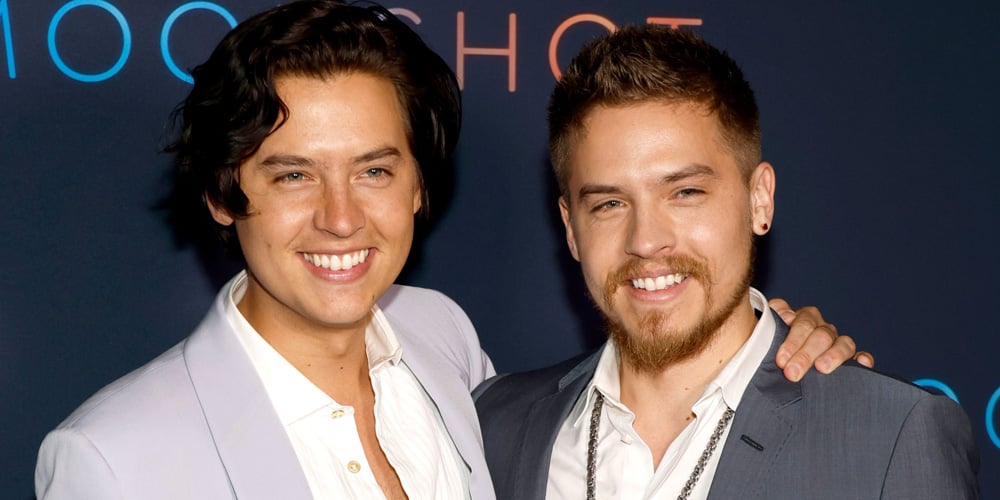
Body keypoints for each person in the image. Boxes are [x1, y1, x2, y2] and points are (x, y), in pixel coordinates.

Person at [35, 2, 863, 499]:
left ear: (417, 189)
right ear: (223, 196)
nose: (340, 219)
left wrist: (766, 344)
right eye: (293, 176)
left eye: (374, 171)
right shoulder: (113, 461)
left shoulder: (443, 341)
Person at [474, 25, 979, 499]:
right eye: (609, 203)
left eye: (685, 192)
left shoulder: (888, 437)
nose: (646, 241)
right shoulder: (493, 422)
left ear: (760, 200)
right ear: (570, 227)